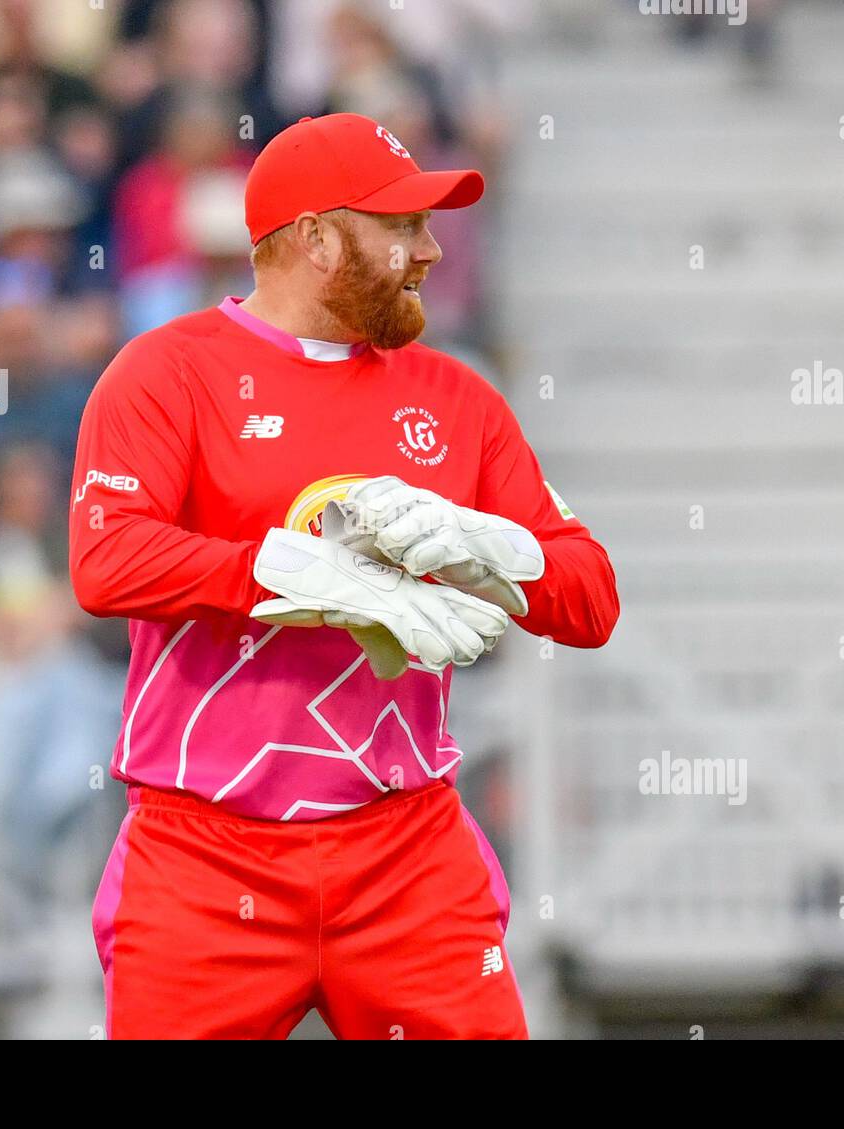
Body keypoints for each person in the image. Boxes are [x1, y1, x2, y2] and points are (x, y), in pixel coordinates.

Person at [69, 112, 619, 1039]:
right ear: (316, 237)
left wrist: (503, 556)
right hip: (202, 850)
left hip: (406, 845)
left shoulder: (458, 396)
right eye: (402, 226)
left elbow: (591, 596)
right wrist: (294, 576)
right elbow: (105, 559)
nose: (434, 250)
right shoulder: (165, 373)